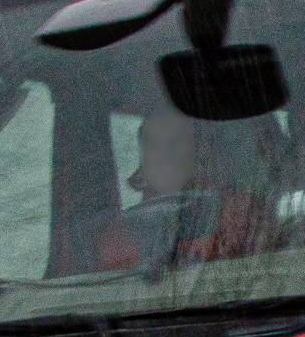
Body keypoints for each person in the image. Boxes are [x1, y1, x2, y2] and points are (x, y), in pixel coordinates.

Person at [98, 107, 260, 272]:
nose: (163, 155)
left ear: (200, 153)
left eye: (175, 142)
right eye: (151, 143)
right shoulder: (119, 233)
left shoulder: (241, 211)